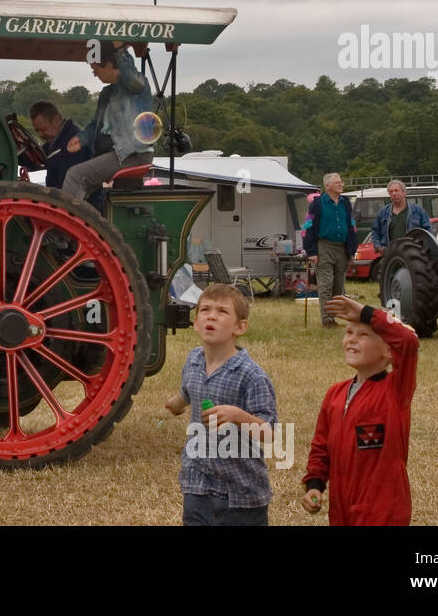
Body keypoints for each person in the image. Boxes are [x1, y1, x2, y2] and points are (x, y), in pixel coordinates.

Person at [164, 284, 278, 526]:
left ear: (240, 327)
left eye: (222, 311)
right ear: (195, 323)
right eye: (205, 309)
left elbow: (269, 434)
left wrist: (238, 416)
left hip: (240, 495)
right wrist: (176, 404)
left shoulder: (251, 376)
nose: (212, 316)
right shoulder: (193, 361)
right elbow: (188, 390)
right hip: (198, 486)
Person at [302, 295, 420, 525]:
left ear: (388, 350)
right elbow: (321, 446)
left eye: (363, 334)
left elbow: (408, 341)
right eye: (349, 333)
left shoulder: (395, 391)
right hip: (342, 512)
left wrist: (366, 313)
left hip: (383, 514)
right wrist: (314, 484)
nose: (352, 340)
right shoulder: (335, 394)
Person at [63, 41, 155, 203]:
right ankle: (83, 221)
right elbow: (96, 124)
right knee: (80, 183)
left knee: (75, 176)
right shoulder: (107, 93)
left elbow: (133, 79)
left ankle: (64, 226)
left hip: (132, 153)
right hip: (116, 152)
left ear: (110, 66)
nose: (95, 75)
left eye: (96, 70)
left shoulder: (135, 86)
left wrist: (120, 50)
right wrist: (82, 138)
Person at [302, 173, 357, 327]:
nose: (341, 184)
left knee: (338, 287)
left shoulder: (345, 203)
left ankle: (333, 315)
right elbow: (307, 227)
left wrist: (352, 250)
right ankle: (327, 320)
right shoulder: (317, 204)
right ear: (328, 186)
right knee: (325, 285)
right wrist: (311, 252)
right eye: (337, 182)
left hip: (343, 247)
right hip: (324, 246)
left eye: (341, 182)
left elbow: (352, 226)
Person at [23, 100, 90, 189]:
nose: (40, 135)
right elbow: (36, 160)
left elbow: (67, 187)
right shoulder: (54, 143)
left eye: (43, 130)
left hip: (76, 200)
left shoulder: (72, 145)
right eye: (37, 131)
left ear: (56, 120)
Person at [371, 179, 432, 256]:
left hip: (413, 254)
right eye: (391, 192)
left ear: (404, 192)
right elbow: (375, 231)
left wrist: (422, 248)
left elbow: (427, 232)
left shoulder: (418, 211)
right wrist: (378, 247)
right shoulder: (383, 212)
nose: (393, 193)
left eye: (396, 190)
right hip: (390, 255)